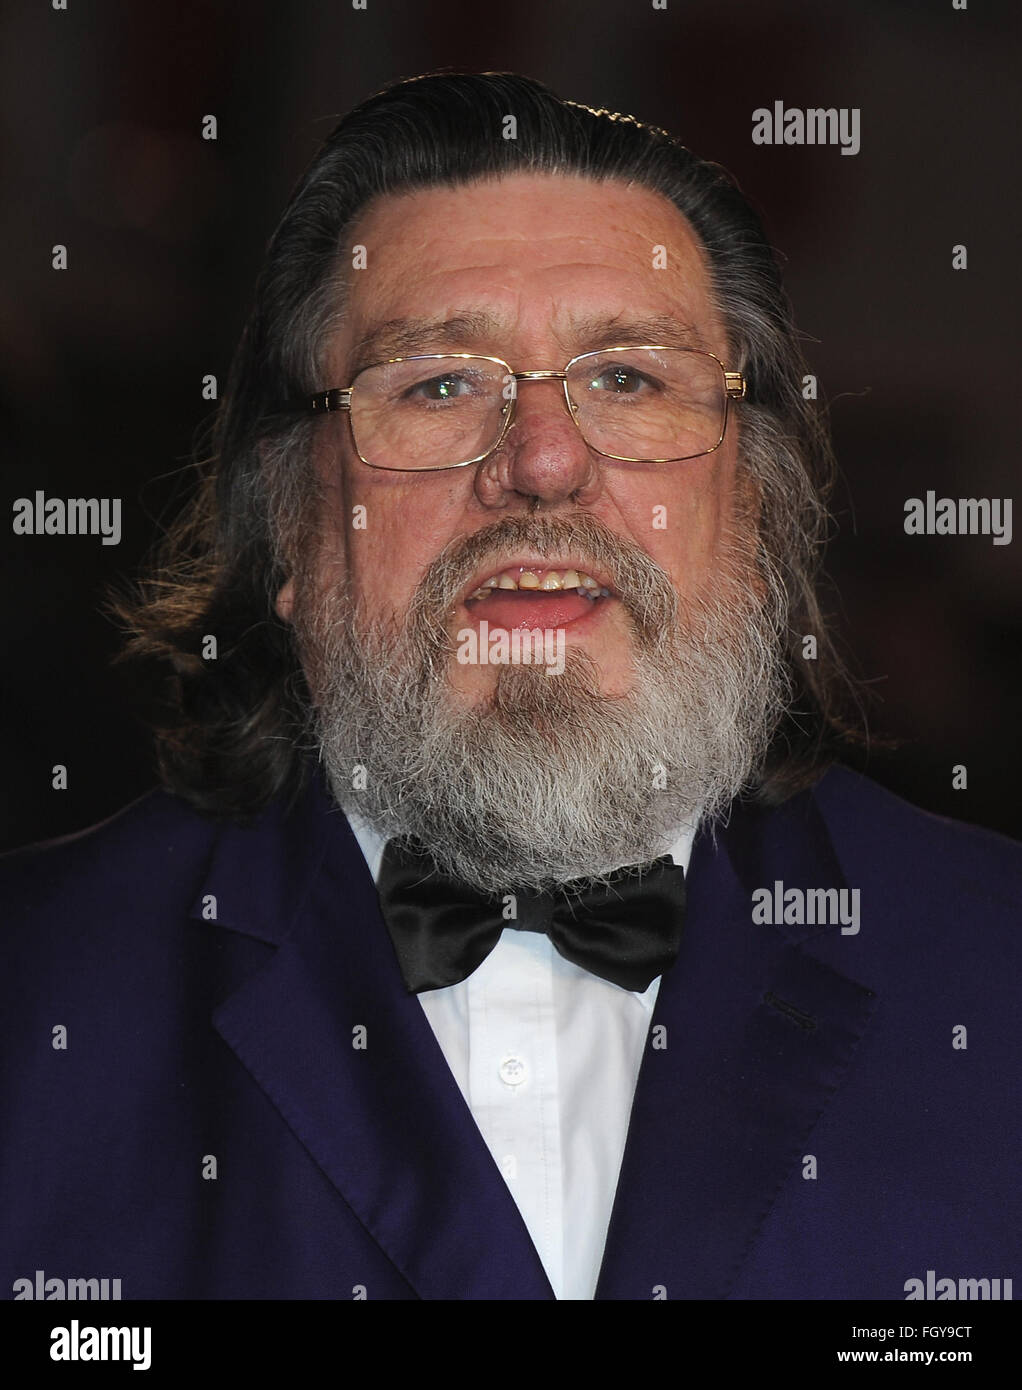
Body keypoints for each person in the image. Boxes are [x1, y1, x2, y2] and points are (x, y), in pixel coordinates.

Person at [2, 71, 1019, 1303]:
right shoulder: (35, 1002)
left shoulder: (993, 973)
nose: (542, 462)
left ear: (750, 512)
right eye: (436, 385)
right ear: (286, 532)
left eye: (628, 380)